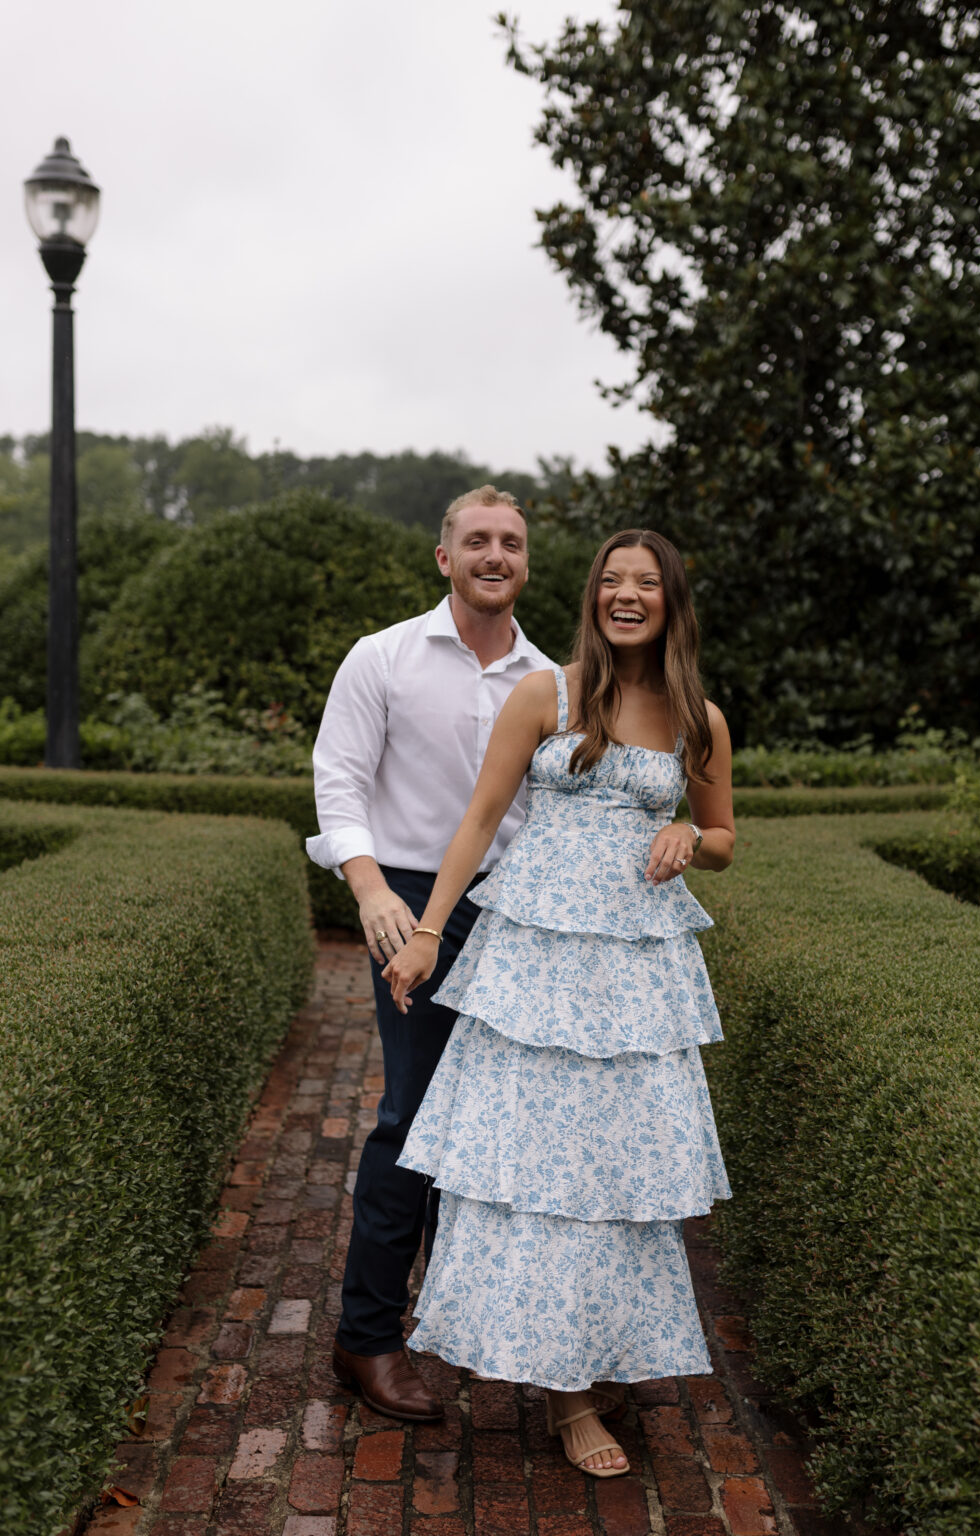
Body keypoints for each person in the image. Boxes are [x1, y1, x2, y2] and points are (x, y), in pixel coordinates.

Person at [382, 527, 735, 1476]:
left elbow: (724, 833)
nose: (627, 595)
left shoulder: (699, 717)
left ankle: (594, 1347)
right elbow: (481, 819)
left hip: (636, 975)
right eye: (612, 581)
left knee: (616, 1171)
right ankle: (568, 1398)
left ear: (670, 601)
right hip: (535, 965)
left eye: (646, 583)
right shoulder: (548, 694)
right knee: (539, 1167)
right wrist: (428, 931)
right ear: (593, 595)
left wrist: (689, 841)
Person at [305, 486, 551, 1421]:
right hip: (407, 898)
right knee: (414, 1118)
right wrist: (372, 891)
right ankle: (366, 1338)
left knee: (490, 1129)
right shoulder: (384, 656)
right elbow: (339, 781)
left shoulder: (552, 679)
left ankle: (463, 1324)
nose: (495, 555)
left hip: (512, 909)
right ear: (444, 557)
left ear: (526, 563)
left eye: (511, 543)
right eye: (477, 540)